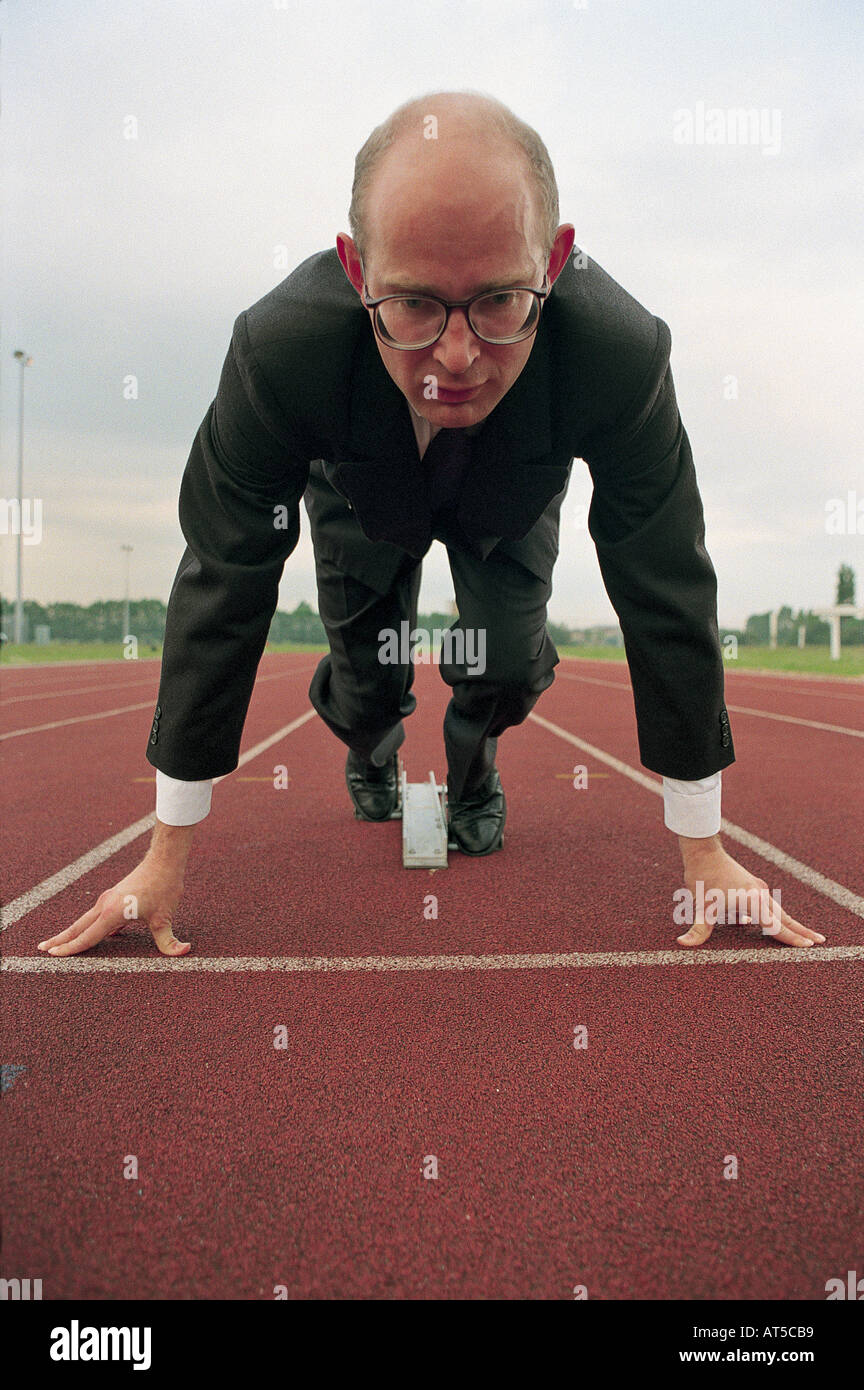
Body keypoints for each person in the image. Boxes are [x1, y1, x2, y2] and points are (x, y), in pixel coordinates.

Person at [38, 91, 823, 959]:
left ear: (555, 262)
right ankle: (369, 742)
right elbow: (224, 574)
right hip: (362, 494)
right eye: (411, 305)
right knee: (366, 668)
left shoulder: (618, 356)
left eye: (499, 301)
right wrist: (164, 857)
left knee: (511, 658)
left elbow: (664, 573)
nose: (455, 359)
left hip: (508, 499)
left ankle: (474, 768)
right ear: (354, 271)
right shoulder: (281, 352)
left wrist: (704, 846)